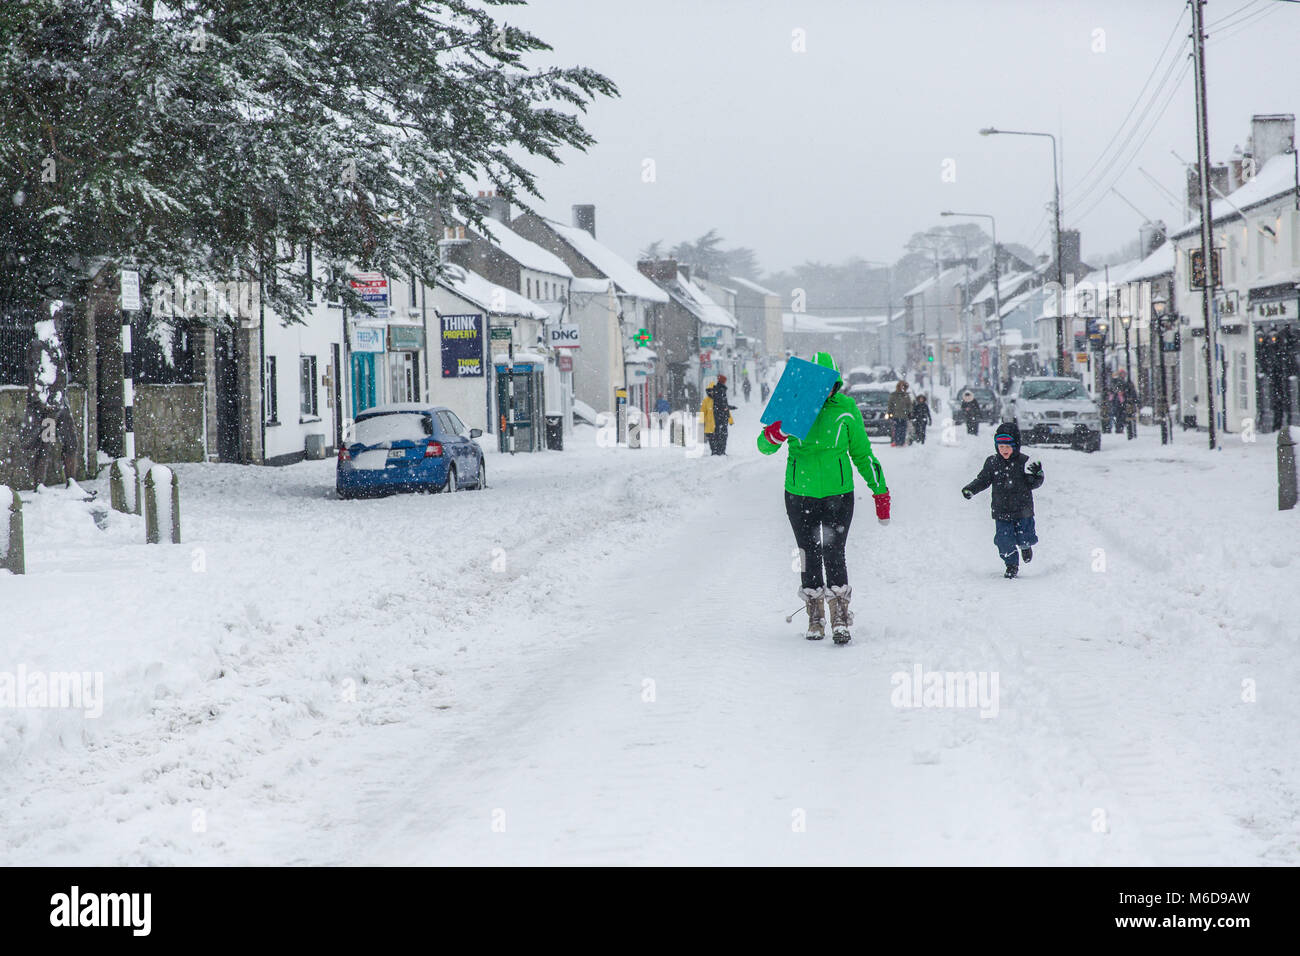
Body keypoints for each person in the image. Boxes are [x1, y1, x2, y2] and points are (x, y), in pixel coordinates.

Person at [758, 352, 889, 643]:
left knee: (833, 552)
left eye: (827, 384)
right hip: (799, 493)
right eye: (817, 384)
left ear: (834, 382)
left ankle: (840, 618)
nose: (823, 390)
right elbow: (763, 446)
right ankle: (815, 616)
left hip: (838, 494)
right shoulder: (793, 405)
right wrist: (775, 434)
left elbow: (862, 453)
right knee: (807, 553)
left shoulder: (845, 408)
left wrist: (880, 491)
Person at [961, 422, 1044, 579]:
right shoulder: (992, 463)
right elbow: (983, 480)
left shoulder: (1024, 461)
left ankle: (1025, 546)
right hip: (1001, 509)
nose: (1004, 450)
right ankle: (1011, 565)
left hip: (1023, 508)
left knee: (1025, 535)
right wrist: (971, 489)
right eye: (1001, 447)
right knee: (1003, 540)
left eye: (1008, 447)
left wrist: (1038, 474)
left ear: (1016, 445)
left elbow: (1033, 483)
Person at [21, 314, 80, 491]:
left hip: (61, 402)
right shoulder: (39, 345)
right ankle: (39, 485)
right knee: (45, 443)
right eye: (58, 320)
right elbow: (36, 375)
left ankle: (72, 483)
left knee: (71, 443)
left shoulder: (56, 344)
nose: (61, 325)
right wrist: (44, 401)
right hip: (48, 405)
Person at [702, 376, 735, 455]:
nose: (711, 393)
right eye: (709, 391)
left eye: (712, 391)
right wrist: (702, 422)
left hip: (717, 421)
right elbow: (703, 412)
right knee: (714, 438)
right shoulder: (707, 400)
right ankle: (716, 451)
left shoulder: (717, 396)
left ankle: (720, 451)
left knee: (721, 436)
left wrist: (730, 420)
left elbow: (725, 408)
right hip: (712, 423)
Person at [1112, 368, 1138, 440]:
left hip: (1125, 403)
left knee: (1127, 416)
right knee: (1120, 416)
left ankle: (1130, 430)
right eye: (1122, 374)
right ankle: (1121, 428)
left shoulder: (1128, 383)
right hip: (1120, 403)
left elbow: (1132, 392)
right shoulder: (1118, 382)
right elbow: (1115, 391)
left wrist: (1134, 399)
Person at [887, 380, 912, 447]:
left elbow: (909, 405)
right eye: (901, 386)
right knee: (896, 429)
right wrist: (889, 413)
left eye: (903, 386)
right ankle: (896, 441)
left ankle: (902, 442)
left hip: (904, 415)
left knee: (903, 430)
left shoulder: (906, 395)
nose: (902, 388)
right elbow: (890, 405)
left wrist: (909, 412)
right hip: (896, 415)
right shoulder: (893, 395)